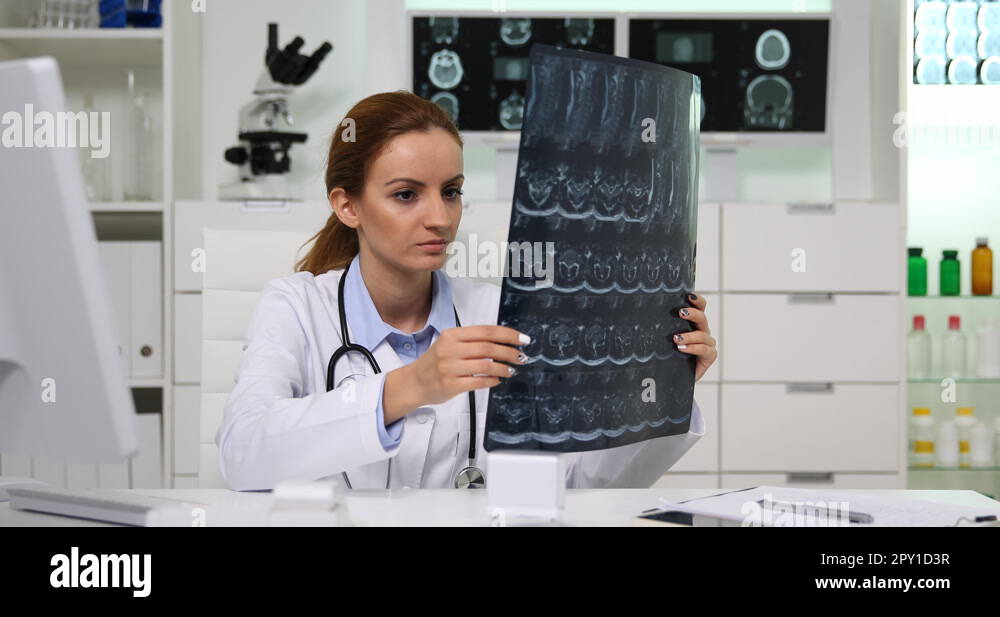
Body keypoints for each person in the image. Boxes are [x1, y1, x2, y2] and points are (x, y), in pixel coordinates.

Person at [216, 91, 717, 491]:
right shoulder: (297, 306)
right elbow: (242, 454)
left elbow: (575, 482)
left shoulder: (499, 313)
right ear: (348, 206)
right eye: (406, 194)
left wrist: (666, 388)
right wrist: (409, 386)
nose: (440, 218)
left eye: (451, 191)